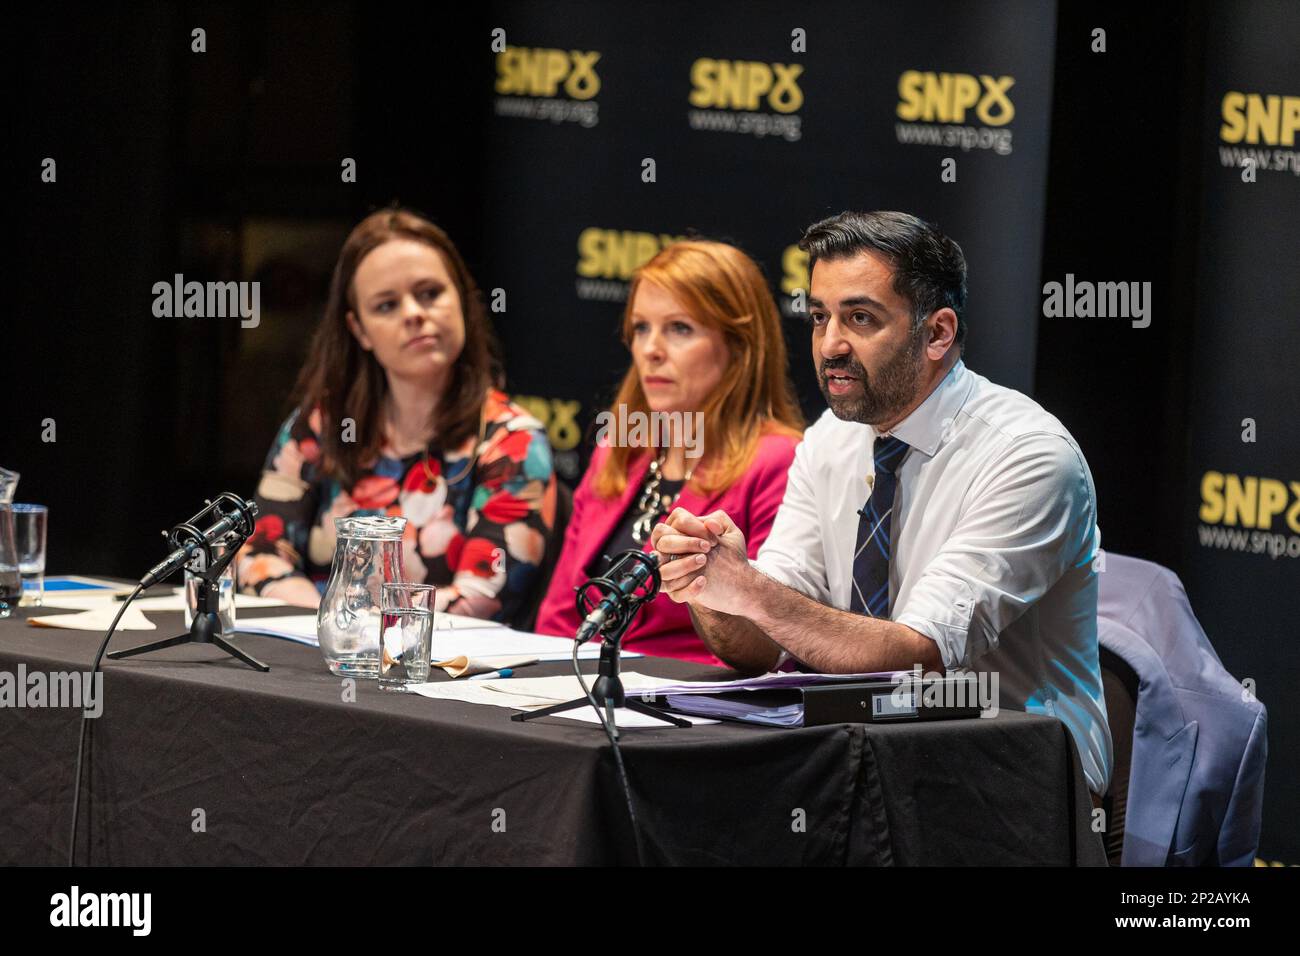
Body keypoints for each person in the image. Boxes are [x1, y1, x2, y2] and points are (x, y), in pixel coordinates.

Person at [652, 211, 1113, 801]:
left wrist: (753, 593)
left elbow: (916, 663)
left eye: (860, 318)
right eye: (820, 317)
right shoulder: (830, 437)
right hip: (867, 759)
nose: (830, 345)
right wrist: (710, 588)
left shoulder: (1028, 456)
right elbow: (762, 645)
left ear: (938, 333)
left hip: (1018, 775)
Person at [238, 208, 558, 624]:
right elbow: (258, 555)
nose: (413, 313)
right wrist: (333, 625)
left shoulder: (514, 441)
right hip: (314, 664)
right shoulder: (321, 424)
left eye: (429, 293)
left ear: (461, 298)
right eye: (387, 305)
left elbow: (481, 601)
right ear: (360, 331)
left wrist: (342, 616)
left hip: (440, 674)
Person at [536, 240, 804, 663]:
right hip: (574, 691)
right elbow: (555, 619)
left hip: (690, 707)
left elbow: (768, 641)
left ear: (739, 345)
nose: (650, 349)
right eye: (641, 328)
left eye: (680, 328)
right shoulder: (621, 447)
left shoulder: (779, 460)